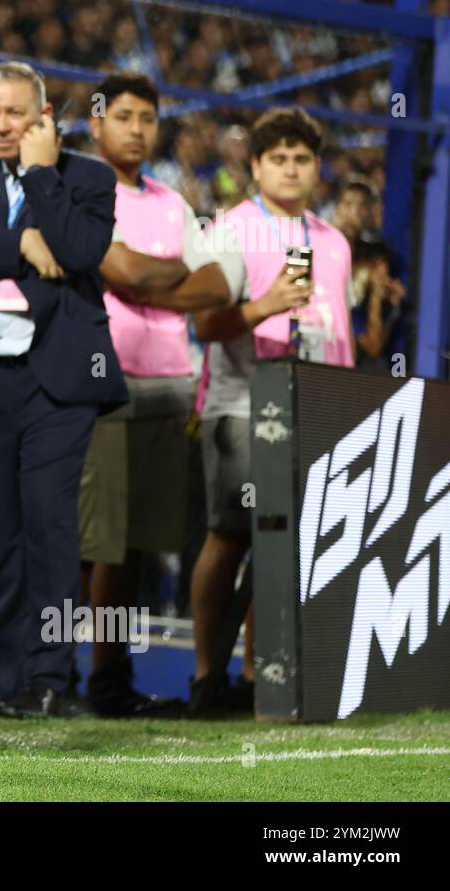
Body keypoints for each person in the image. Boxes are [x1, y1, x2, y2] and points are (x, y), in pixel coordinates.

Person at [0, 61, 126, 718]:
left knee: (50, 529)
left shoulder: (87, 177)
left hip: (60, 382)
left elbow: (79, 249)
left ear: (45, 117)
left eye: (18, 113)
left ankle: (50, 678)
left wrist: (40, 177)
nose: (3, 125)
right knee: (0, 531)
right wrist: (19, 243)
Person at [190, 106, 355, 713]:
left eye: (302, 159)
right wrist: (264, 306)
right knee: (230, 536)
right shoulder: (229, 229)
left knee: (289, 544)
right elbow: (205, 323)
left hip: (316, 409)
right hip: (240, 405)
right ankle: (208, 676)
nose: (291, 170)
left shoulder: (334, 241)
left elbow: (341, 337)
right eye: (278, 159)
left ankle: (266, 676)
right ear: (255, 166)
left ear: (317, 168)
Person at [78, 72, 229, 716]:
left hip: (170, 388)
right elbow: (123, 271)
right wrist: (167, 276)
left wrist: (150, 280)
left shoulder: (172, 201)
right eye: (124, 116)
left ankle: (114, 679)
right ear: (96, 123)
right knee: (101, 542)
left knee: (140, 543)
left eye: (147, 118)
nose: (137, 129)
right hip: (104, 384)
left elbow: (218, 284)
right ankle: (83, 677)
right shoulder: (81, 187)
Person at [332, 177, 405, 368]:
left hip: (363, 338)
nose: (354, 211)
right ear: (338, 208)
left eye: (362, 205)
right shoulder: (322, 246)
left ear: (372, 211)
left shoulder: (378, 255)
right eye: (348, 203)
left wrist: (389, 295)